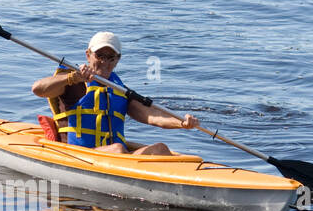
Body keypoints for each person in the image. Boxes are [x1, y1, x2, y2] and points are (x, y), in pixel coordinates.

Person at [31, 31, 198, 155]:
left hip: (115, 158)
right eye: (100, 56)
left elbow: (153, 116)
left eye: (111, 58)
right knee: (117, 149)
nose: (105, 62)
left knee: (161, 149)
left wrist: (181, 123)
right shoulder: (74, 82)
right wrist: (72, 78)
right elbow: (38, 89)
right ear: (88, 55)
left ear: (118, 59)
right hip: (81, 155)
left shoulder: (120, 90)